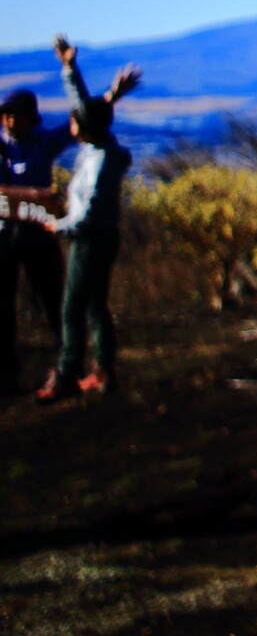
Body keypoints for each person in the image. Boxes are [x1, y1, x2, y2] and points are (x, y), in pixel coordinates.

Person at [35, 38, 140, 403]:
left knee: (72, 306)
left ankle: (66, 374)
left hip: (90, 240)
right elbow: (88, 109)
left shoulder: (99, 162)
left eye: (74, 122)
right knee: (95, 304)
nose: (71, 121)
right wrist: (70, 69)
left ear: (84, 128)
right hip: (100, 237)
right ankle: (104, 371)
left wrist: (59, 226)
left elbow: (87, 212)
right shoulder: (101, 145)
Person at [0, 39, 83, 395]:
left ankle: (70, 366)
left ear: (30, 116)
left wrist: (70, 70)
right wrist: (35, 196)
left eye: (14, 113)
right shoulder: (2, 148)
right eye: (5, 113)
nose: (8, 119)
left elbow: (80, 122)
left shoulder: (41, 144)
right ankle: (6, 373)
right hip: (5, 236)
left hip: (37, 235)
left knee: (53, 301)